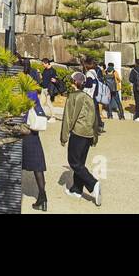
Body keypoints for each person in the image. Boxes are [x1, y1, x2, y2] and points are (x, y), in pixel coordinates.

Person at [59, 71, 101, 205]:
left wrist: (63, 136)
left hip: (78, 133)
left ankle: (93, 183)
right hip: (88, 134)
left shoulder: (73, 97)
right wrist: (95, 136)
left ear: (73, 82)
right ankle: (76, 190)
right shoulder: (88, 97)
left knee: (74, 162)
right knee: (80, 163)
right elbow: (95, 119)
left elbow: (68, 118)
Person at [22, 88, 48, 210]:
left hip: (19, 129)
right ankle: (42, 195)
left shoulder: (17, 88)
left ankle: (9, 192)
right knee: (37, 165)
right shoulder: (31, 90)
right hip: (31, 132)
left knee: (13, 162)